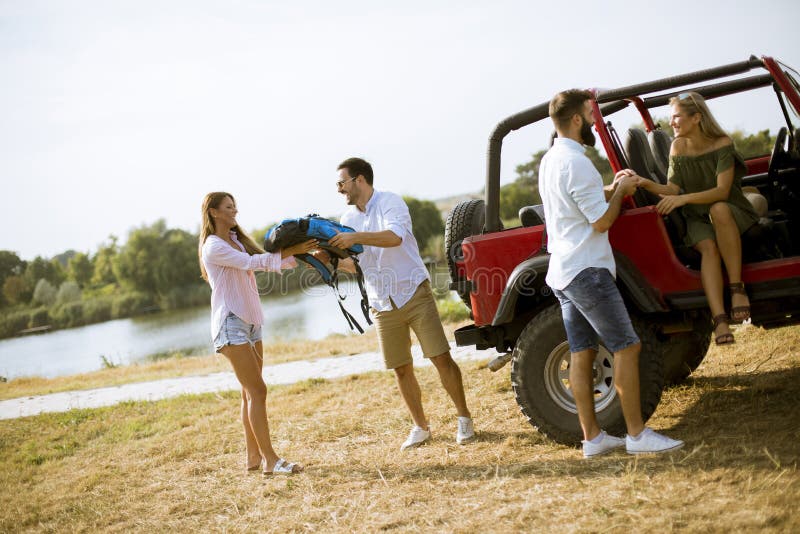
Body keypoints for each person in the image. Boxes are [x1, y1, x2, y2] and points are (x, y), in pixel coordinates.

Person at [539, 89, 684, 458]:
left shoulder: (551, 159)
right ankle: (637, 436)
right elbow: (602, 221)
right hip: (587, 268)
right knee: (627, 345)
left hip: (563, 270)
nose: (592, 122)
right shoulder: (578, 162)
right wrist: (620, 193)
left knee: (582, 351)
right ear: (576, 119)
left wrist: (613, 186)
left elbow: (575, 201)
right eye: (590, 115)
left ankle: (593, 439)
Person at [327, 157, 475, 450]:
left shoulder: (391, 202)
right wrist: (325, 261)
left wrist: (354, 237)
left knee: (440, 358)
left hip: (413, 292)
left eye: (341, 182)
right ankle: (420, 426)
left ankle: (464, 418)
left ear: (359, 179)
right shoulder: (347, 220)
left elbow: (394, 238)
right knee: (400, 368)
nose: (339, 189)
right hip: (381, 302)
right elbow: (359, 267)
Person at [199, 192, 317, 474]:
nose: (235, 210)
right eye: (228, 207)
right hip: (231, 322)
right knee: (257, 390)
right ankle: (271, 460)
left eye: (234, 205)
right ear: (214, 213)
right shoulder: (213, 246)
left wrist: (304, 253)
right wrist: (290, 251)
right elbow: (254, 263)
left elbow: (268, 261)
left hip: (252, 322)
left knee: (248, 393)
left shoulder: (236, 242)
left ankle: (253, 458)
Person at [636, 91, 758, 345]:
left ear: (697, 118)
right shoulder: (677, 146)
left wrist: (683, 199)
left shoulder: (722, 143)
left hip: (730, 209)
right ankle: (720, 320)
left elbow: (722, 192)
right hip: (697, 217)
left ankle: (737, 290)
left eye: (677, 117)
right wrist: (644, 183)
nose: (671, 123)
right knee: (708, 248)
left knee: (719, 209)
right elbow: (672, 189)